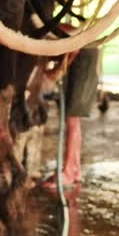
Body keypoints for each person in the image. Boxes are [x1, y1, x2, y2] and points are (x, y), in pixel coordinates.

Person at [42, 44, 101, 190]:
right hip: (79, 67)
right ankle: (74, 169)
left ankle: (68, 172)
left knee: (72, 121)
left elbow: (74, 49)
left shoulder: (55, 32)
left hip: (81, 68)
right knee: (73, 122)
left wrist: (57, 70)